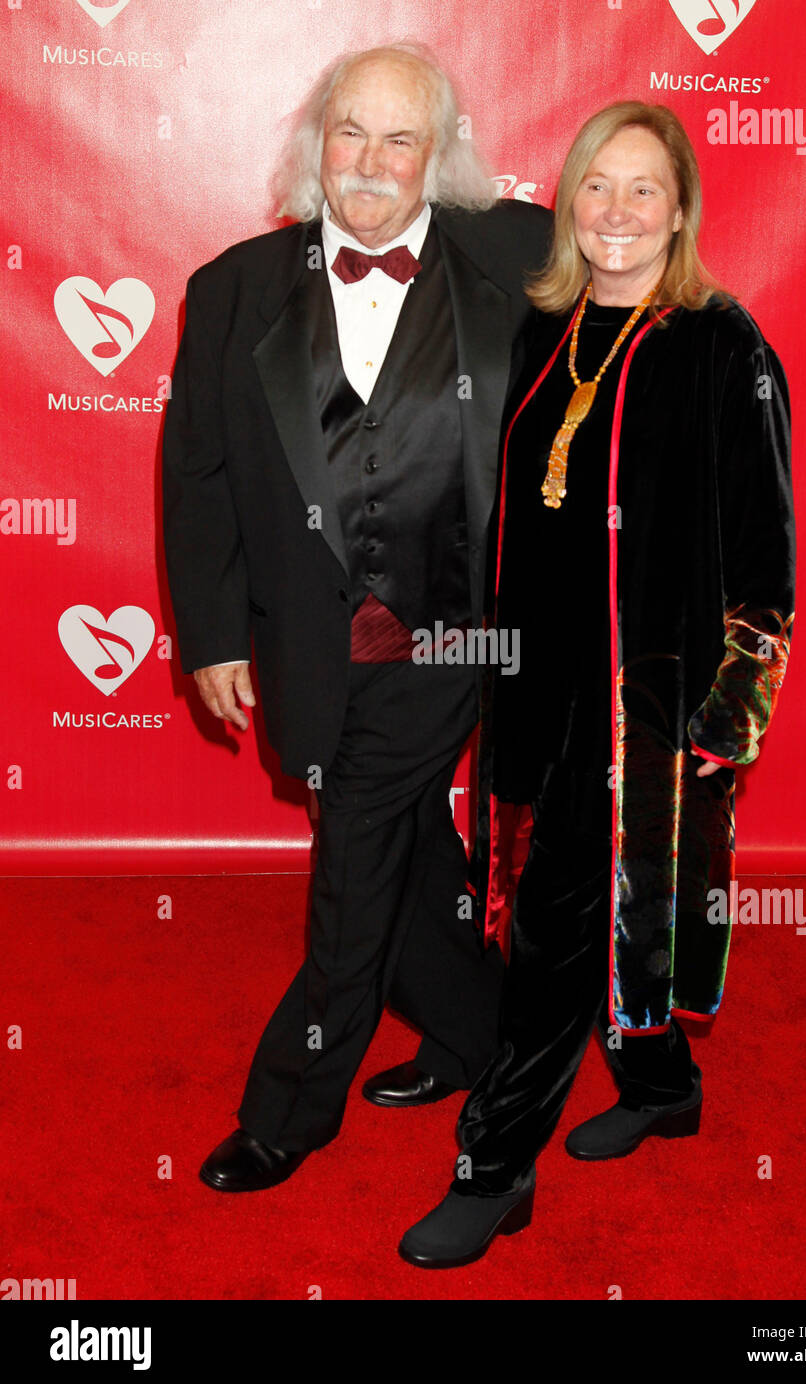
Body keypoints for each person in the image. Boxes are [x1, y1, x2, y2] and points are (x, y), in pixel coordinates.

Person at [399, 101, 795, 1266]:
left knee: (559, 939)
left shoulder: (723, 347)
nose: (615, 212)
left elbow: (765, 570)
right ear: (565, 201)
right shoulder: (542, 328)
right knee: (595, 917)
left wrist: (722, 724)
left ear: (679, 211)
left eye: (642, 191)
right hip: (532, 689)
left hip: (646, 708)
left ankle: (492, 1163)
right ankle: (663, 1084)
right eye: (595, 187)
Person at [161, 43, 551, 1192]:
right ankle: (483, 1036)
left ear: (439, 158)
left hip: (460, 630)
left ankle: (293, 1103)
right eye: (351, 133)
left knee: (360, 848)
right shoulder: (231, 288)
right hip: (315, 631)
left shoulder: (517, 257)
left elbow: (634, 280)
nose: (371, 163)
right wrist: (218, 635)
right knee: (412, 848)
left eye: (400, 138)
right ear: (313, 142)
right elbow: (199, 475)